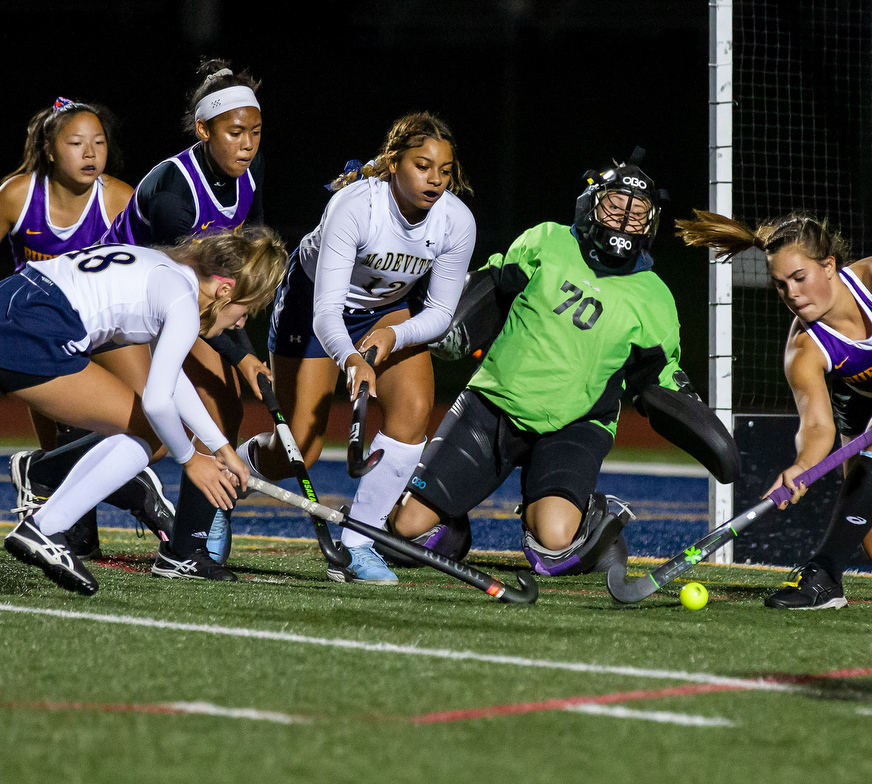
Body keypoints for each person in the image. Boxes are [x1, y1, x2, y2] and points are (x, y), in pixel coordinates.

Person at [389, 153, 724, 578]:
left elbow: (657, 378)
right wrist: (449, 318)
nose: (623, 220)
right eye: (615, 205)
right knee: (407, 530)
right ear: (592, 203)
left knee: (553, 548)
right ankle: (450, 524)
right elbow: (495, 285)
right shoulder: (547, 240)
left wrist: (690, 411)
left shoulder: (656, 298)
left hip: (577, 424)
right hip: (493, 405)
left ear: (650, 222)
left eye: (637, 213)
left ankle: (587, 518)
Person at [675, 209, 872, 608]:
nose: (791, 293)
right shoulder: (803, 349)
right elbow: (817, 426)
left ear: (828, 266)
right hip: (865, 404)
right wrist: (802, 466)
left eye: (799, 278)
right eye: (780, 285)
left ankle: (824, 576)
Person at [240, 111, 476, 582]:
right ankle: (229, 478)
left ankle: (359, 543)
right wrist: (349, 358)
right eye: (422, 166)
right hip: (313, 307)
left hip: (385, 311)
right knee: (298, 451)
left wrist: (392, 335)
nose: (436, 180)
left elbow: (439, 314)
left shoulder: (456, 221)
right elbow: (328, 310)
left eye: (445, 170)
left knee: (413, 410)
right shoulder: (355, 206)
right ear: (393, 163)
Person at [1, 227, 287, 595]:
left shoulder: (162, 268)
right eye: (245, 311)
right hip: (36, 329)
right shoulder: (182, 300)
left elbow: (170, 380)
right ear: (225, 290)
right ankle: (44, 528)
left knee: (146, 431)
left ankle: (45, 525)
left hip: (15, 302)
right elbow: (156, 400)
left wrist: (221, 448)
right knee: (151, 436)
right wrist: (191, 460)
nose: (241, 322)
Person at [101, 59, 270, 567]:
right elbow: (197, 300)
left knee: (224, 404)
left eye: (255, 132)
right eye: (235, 132)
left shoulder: (247, 172)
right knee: (157, 427)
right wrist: (242, 358)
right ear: (203, 129)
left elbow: (248, 264)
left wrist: (247, 348)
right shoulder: (175, 191)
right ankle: (187, 543)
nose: (247, 144)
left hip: (175, 303)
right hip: (123, 308)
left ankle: (196, 534)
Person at [0, 96, 174, 558]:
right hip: (41, 328)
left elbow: (154, 273)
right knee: (65, 443)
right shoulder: (16, 195)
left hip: (109, 328)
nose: (91, 152)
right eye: (77, 142)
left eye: (99, 142)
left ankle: (40, 470)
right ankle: (64, 513)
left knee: (148, 428)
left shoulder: (119, 199)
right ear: (50, 149)